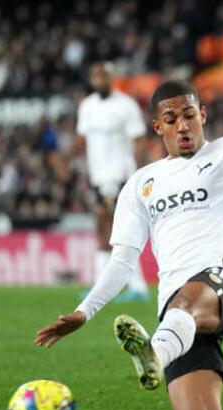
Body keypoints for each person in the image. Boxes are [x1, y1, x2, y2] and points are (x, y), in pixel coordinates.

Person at [35, 76, 223, 410]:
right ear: (158, 127)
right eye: (171, 120)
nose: (182, 126)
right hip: (174, 315)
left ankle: (154, 353)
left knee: (184, 304)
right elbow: (123, 261)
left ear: (203, 114)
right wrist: (85, 311)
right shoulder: (140, 184)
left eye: (189, 115)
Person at [74, 62, 150, 302]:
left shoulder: (125, 106)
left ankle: (134, 287)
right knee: (104, 228)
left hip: (119, 175)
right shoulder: (87, 106)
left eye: (103, 76)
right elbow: (83, 141)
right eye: (96, 76)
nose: (99, 81)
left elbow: (139, 140)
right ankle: (114, 286)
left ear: (111, 78)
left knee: (113, 229)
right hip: (99, 176)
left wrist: (135, 174)